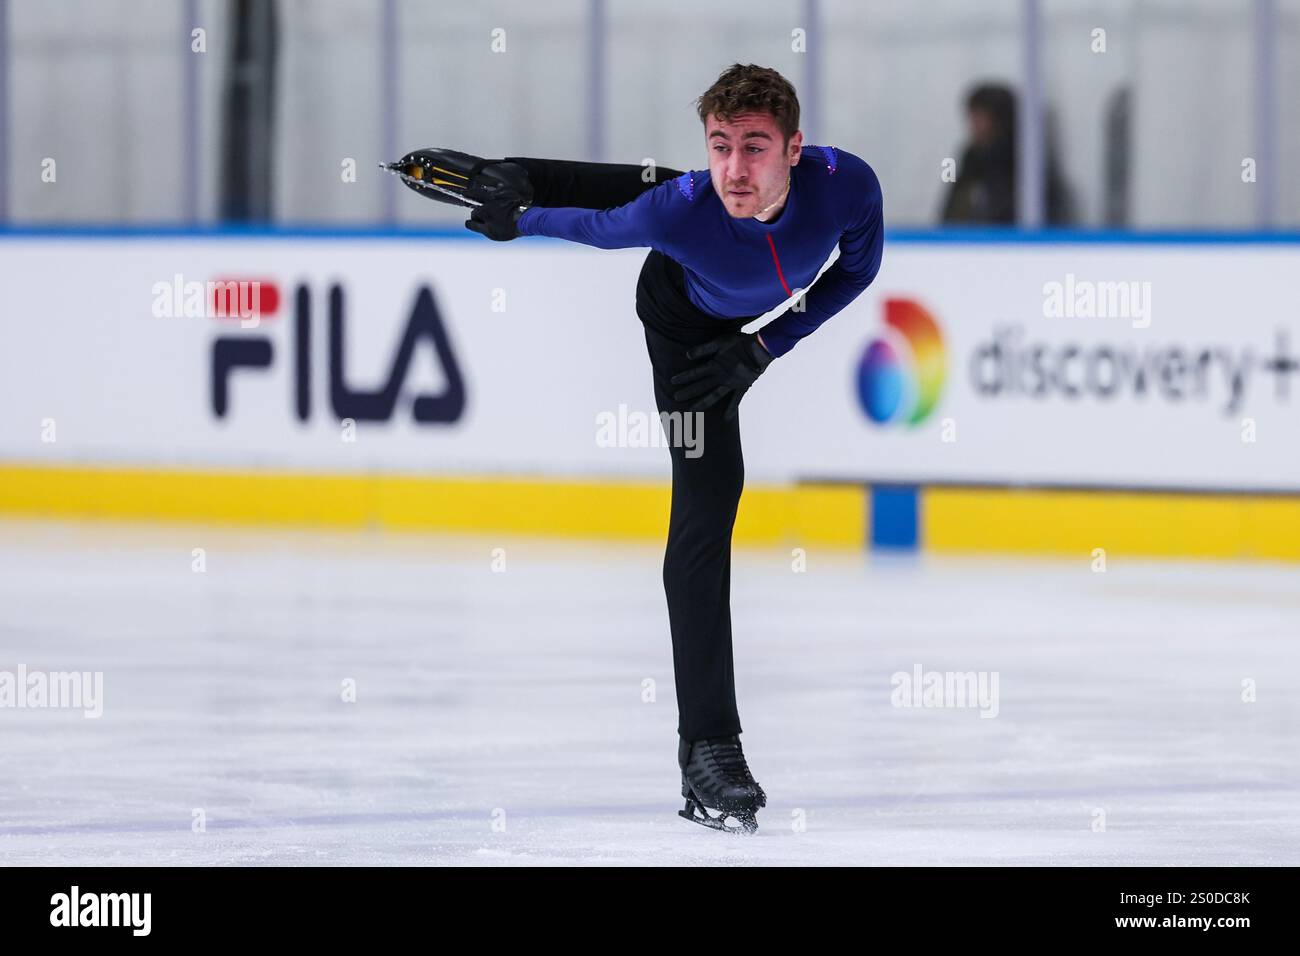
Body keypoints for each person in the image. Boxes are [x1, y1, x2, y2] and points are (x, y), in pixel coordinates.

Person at [391, 63, 883, 833]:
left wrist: (766, 349)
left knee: (662, 188)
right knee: (710, 499)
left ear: (795, 149)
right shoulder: (681, 213)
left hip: (732, 321)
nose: (734, 168)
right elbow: (594, 226)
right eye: (720, 146)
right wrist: (514, 218)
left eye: (754, 148)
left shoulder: (846, 186)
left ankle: (518, 171)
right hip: (683, 334)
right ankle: (708, 749)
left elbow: (859, 268)